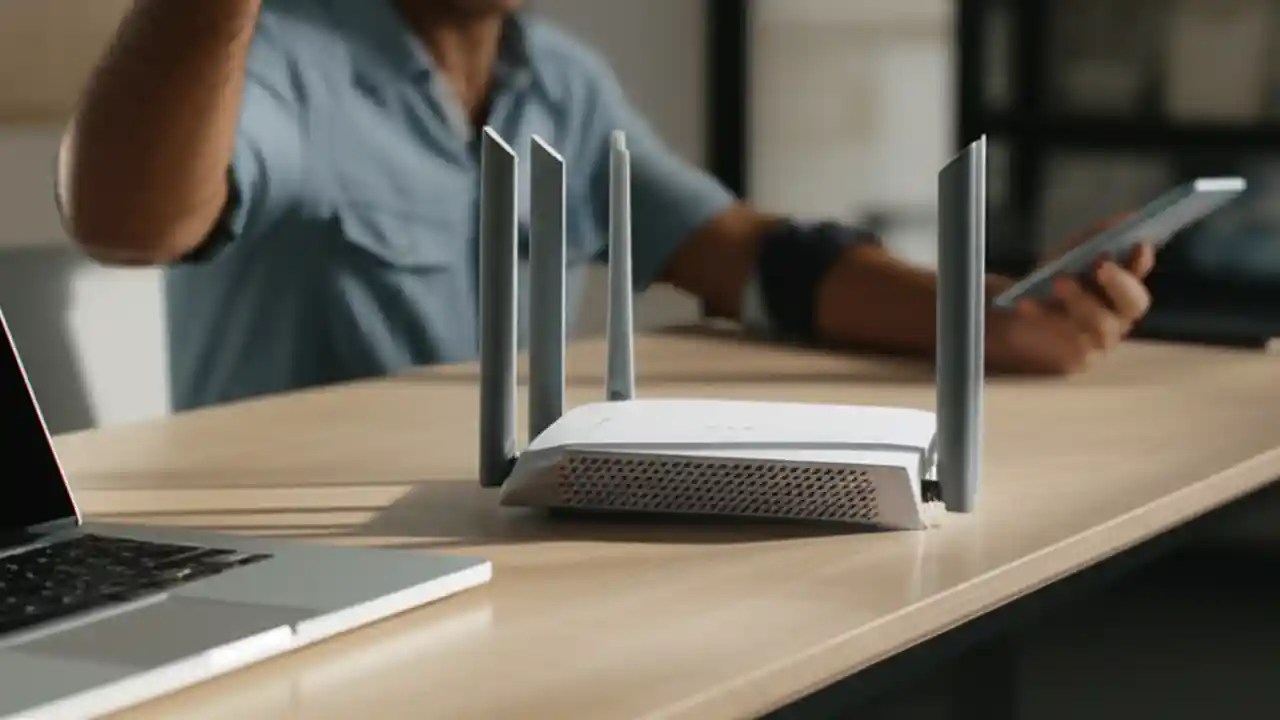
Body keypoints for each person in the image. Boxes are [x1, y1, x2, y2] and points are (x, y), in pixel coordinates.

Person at [58, 0, 1155, 411]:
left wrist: (986, 318)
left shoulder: (561, 83)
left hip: (509, 538)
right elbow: (126, 219)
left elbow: (742, 254)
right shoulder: (281, 51)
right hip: (301, 573)